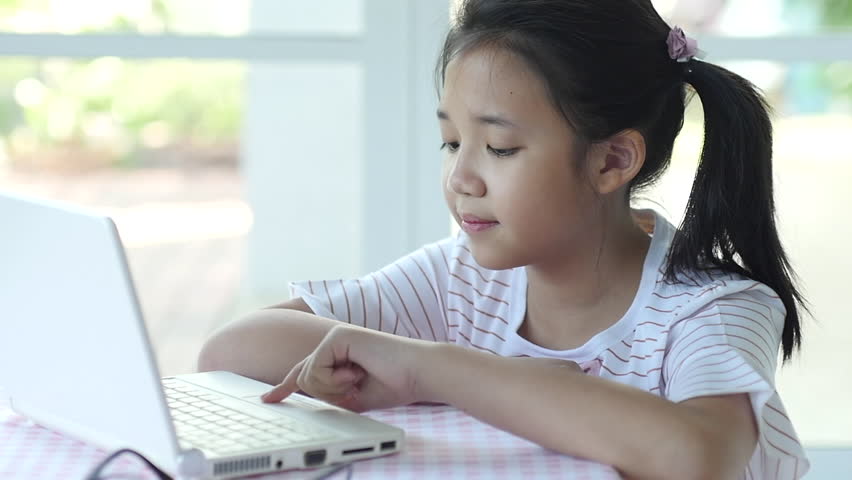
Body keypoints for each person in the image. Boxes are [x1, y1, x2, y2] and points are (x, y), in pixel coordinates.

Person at [197, 1, 809, 478]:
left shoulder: (711, 309)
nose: (461, 178)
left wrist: (429, 370)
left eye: (499, 148)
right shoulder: (464, 281)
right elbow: (233, 351)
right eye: (451, 142)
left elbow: (698, 458)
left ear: (611, 160)